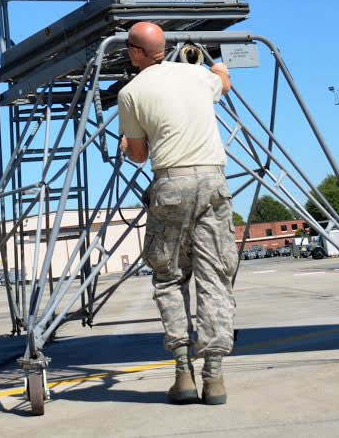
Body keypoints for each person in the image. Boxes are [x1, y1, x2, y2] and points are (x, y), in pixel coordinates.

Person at [117, 21, 236, 405]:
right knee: (214, 277)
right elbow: (224, 82)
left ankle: (183, 374)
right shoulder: (195, 74)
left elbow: (139, 156)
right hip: (213, 181)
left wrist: (126, 142)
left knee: (169, 278)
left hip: (171, 184)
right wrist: (210, 62)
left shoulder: (131, 92)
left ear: (135, 53)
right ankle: (214, 378)